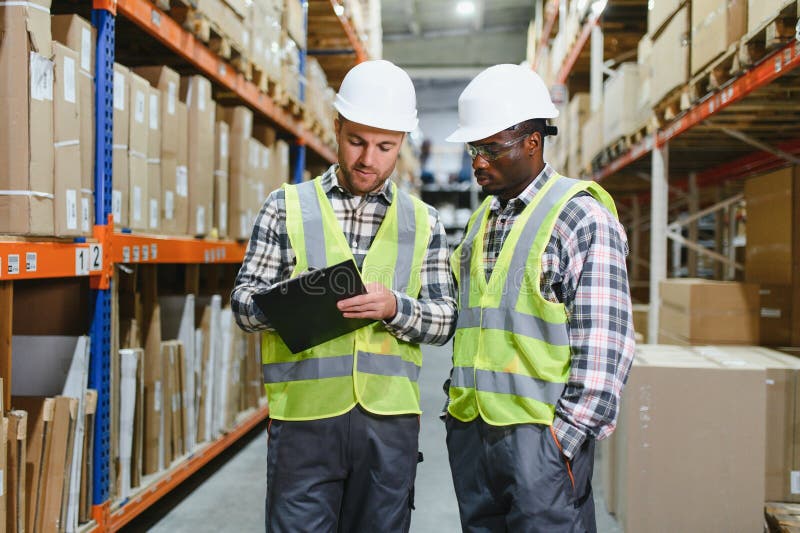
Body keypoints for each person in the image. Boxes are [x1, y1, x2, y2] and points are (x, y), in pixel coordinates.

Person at [230, 59, 457, 533]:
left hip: (389, 425)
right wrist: (296, 301)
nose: (367, 159)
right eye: (356, 141)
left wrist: (396, 307)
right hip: (303, 423)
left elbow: (444, 318)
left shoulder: (425, 222)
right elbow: (243, 304)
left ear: (402, 145)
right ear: (337, 127)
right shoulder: (285, 206)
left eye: (384, 147)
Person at [442, 64, 635, 532]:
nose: (478, 162)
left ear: (533, 140)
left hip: (540, 440)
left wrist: (560, 441)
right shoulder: (481, 220)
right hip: (473, 430)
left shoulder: (580, 216)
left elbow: (606, 346)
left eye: (491, 148)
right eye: (474, 149)